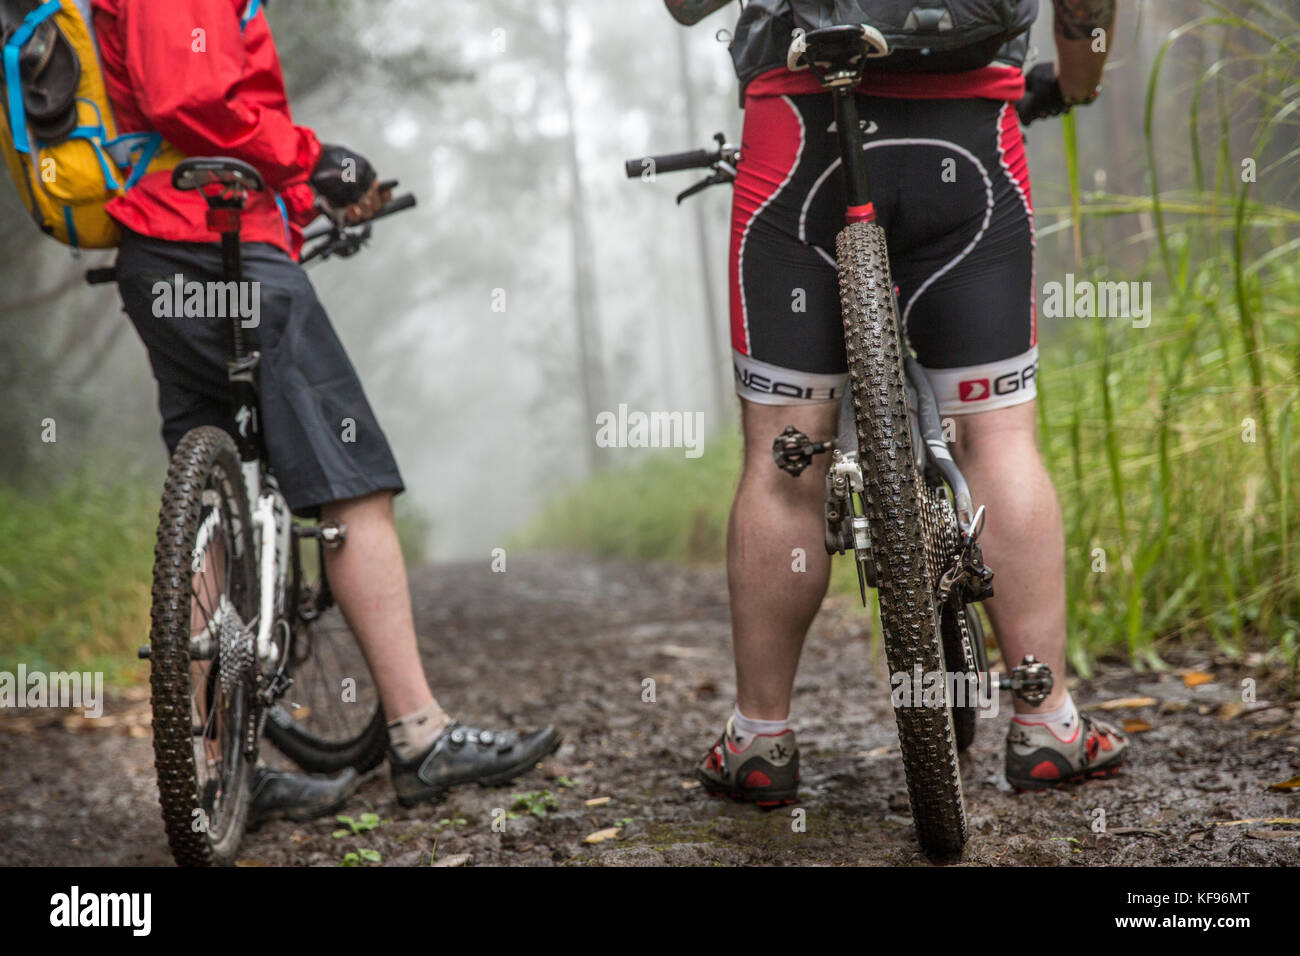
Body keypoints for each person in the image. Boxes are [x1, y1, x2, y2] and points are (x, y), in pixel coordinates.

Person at [92, 0, 559, 821]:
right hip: (214, 247)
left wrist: (310, 193)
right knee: (353, 482)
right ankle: (420, 735)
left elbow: (189, 124)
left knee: (215, 489)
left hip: (179, 242)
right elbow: (185, 99)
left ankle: (217, 765)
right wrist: (311, 157)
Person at [687, 0, 1130, 804]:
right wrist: (1078, 81)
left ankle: (760, 738)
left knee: (785, 456)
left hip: (799, 131)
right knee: (997, 439)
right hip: (971, 132)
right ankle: (1047, 725)